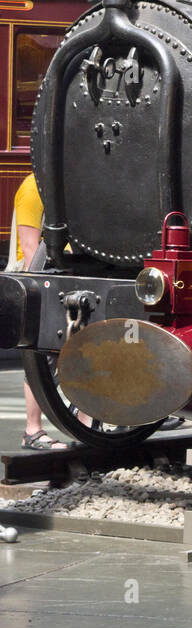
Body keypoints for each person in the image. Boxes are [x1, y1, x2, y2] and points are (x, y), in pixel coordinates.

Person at [7, 173, 64, 450]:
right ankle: (32, 430)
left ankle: (88, 421)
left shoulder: (65, 187)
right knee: (40, 358)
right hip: (42, 284)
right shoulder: (33, 188)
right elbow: (30, 249)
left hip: (66, 278)